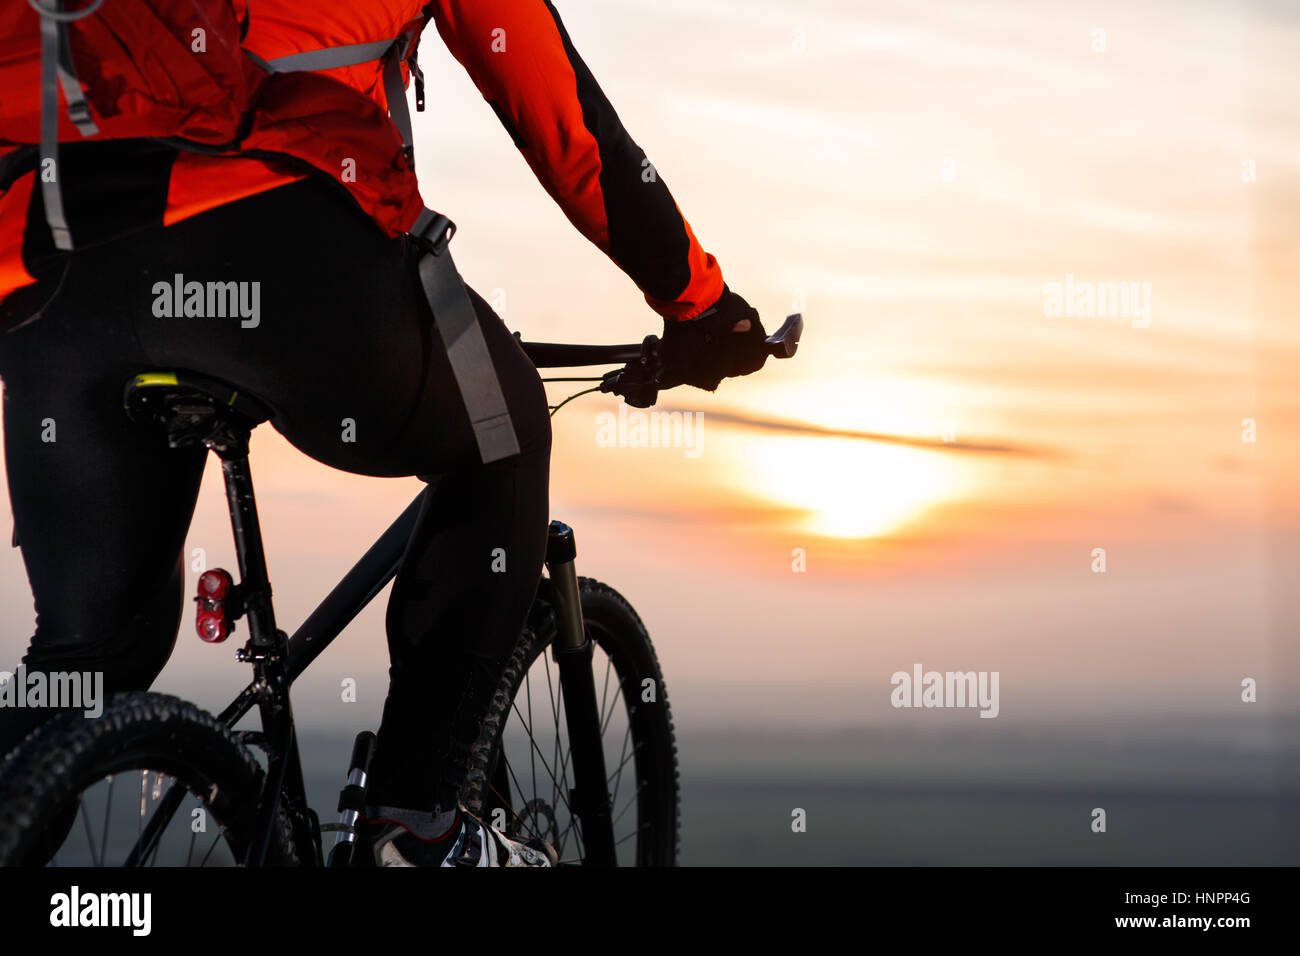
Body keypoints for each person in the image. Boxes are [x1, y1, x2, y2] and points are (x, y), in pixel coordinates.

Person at [0, 0, 769, 866]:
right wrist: (700, 307)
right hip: (272, 234)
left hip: (48, 268)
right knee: (502, 427)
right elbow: (571, 130)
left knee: (87, 655)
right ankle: (418, 823)